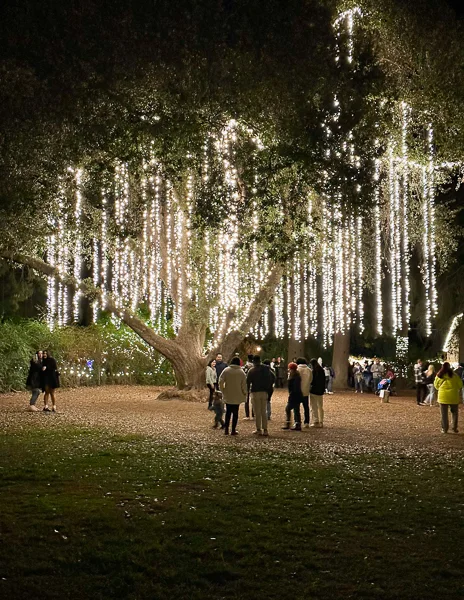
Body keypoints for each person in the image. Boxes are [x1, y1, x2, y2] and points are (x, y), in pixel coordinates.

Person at [219, 356, 247, 435]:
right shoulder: (241, 372)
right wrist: (245, 393)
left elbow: (220, 381)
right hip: (237, 395)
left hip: (228, 394)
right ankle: (233, 430)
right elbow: (244, 385)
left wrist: (222, 390)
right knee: (235, 413)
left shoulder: (226, 370)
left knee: (228, 412)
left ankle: (226, 429)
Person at [246, 355, 273, 436]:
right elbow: (273, 378)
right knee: (263, 411)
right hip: (264, 391)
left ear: (253, 361)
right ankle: (265, 429)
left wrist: (247, 391)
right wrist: (268, 388)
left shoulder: (252, 370)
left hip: (255, 391)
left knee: (257, 411)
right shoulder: (266, 369)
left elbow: (247, 382)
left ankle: (258, 429)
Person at [434, 362, 463, 434]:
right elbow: (460, 385)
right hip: (453, 396)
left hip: (443, 397)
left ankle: (444, 429)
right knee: (454, 413)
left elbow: (436, 385)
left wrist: (440, 389)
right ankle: (454, 428)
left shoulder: (439, 375)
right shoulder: (455, 375)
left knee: (444, 414)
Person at [282, 362, 304, 431]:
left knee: (288, 408)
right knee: (296, 410)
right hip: (296, 395)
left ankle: (289, 423)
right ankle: (297, 424)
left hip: (294, 395)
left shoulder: (295, 377)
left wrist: (292, 393)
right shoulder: (295, 376)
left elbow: (295, 387)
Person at [296, 357, 312, 427]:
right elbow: (311, 380)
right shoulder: (309, 370)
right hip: (306, 390)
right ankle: (307, 422)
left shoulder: (297, 369)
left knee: (297, 407)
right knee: (306, 407)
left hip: (298, 391)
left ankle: (297, 421)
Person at [310, 358, 326, 427]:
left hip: (314, 390)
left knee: (314, 406)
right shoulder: (321, 370)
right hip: (320, 391)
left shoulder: (313, 371)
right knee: (320, 406)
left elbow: (312, 381)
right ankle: (321, 421)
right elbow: (323, 381)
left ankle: (315, 421)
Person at [243, 354, 254, 420]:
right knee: (253, 400)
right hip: (253, 384)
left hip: (246, 384)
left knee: (246, 400)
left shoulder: (246, 366)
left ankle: (247, 415)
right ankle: (253, 414)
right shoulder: (254, 367)